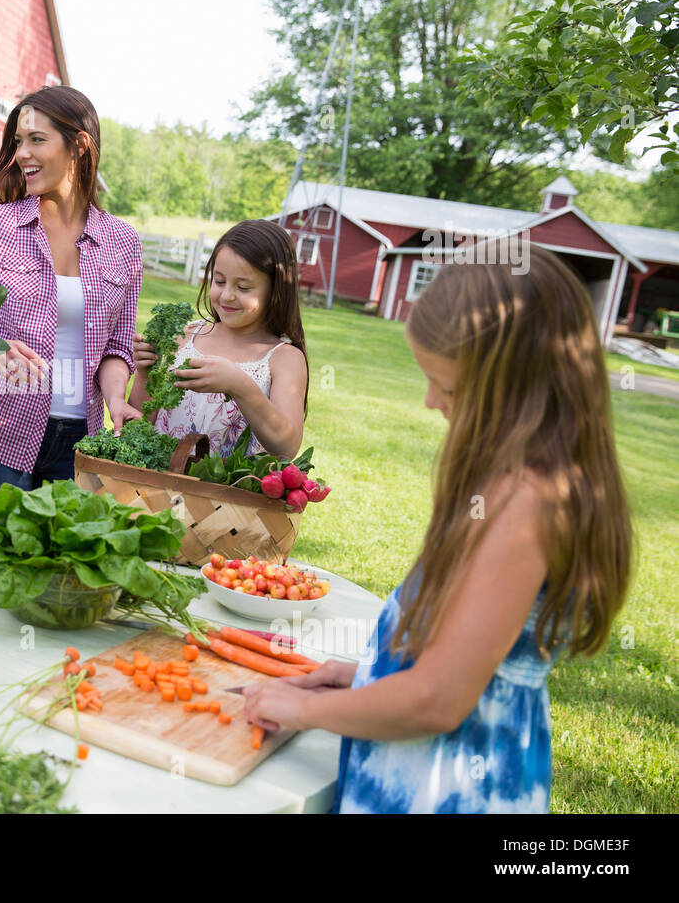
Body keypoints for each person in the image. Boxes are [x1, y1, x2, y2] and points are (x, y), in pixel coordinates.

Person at [239, 247, 633, 813]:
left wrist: (302, 711)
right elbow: (461, 655)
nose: (430, 402)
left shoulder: (525, 506)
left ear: (515, 385)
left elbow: (440, 699)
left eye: (446, 388)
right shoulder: (511, 484)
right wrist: (363, 676)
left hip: (450, 787)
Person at [0, 86, 144, 508]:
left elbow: (118, 346)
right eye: (19, 141)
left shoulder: (123, 242)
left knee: (64, 571)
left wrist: (116, 398)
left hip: (81, 444)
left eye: (37, 140)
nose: (22, 153)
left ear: (79, 145)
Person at [130, 220, 308, 460]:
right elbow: (138, 426)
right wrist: (144, 374)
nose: (226, 295)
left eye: (243, 287)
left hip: (224, 495)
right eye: (220, 281)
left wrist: (239, 385)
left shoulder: (284, 358)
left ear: (275, 291)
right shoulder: (185, 338)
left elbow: (286, 447)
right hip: (155, 489)